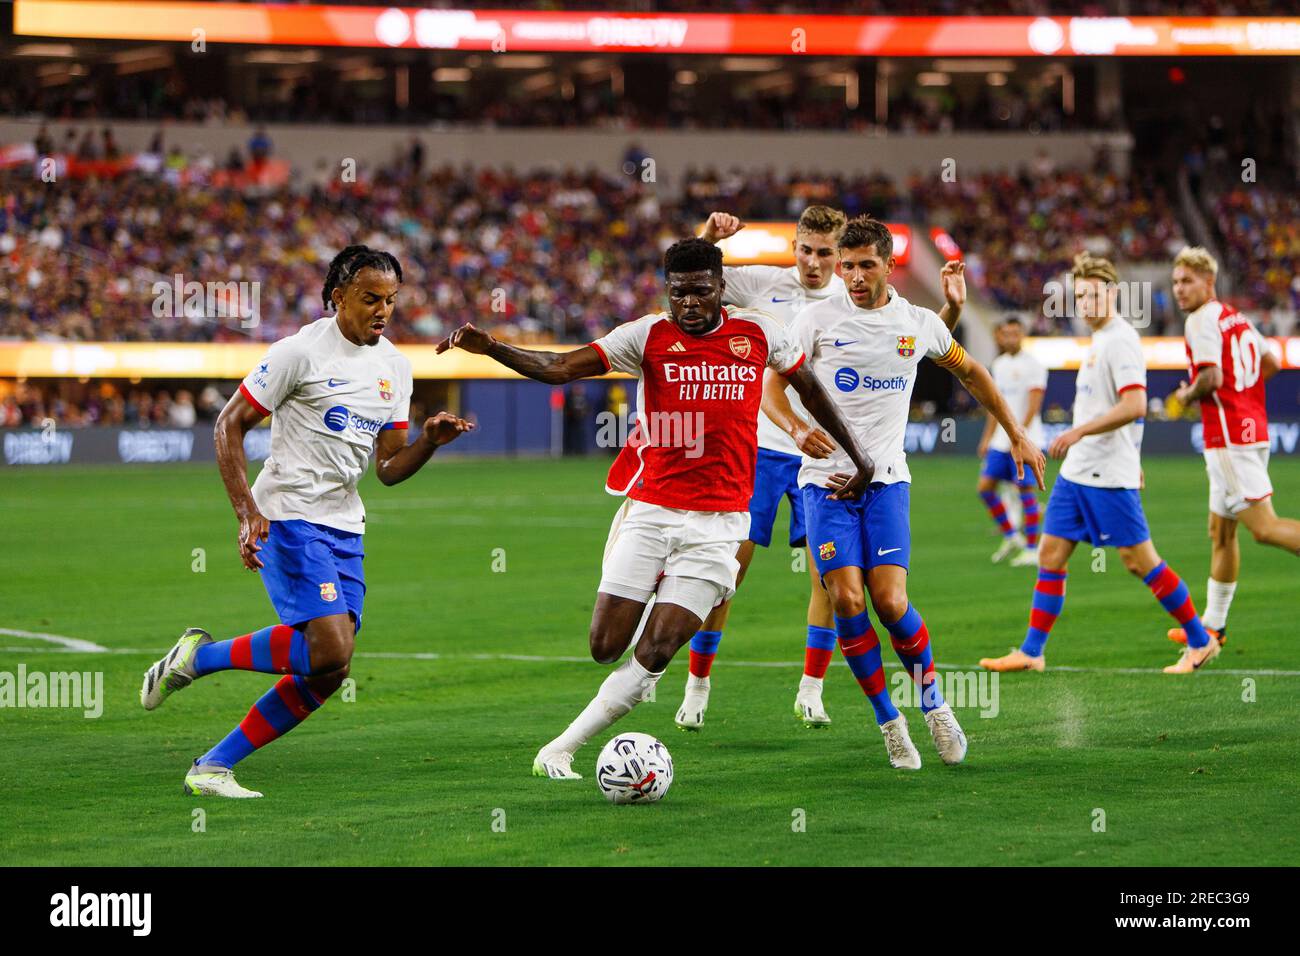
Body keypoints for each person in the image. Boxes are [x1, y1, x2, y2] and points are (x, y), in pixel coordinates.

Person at [437, 237, 873, 781]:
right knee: (603, 647)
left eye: (700, 291)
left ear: (721, 289)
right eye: (678, 292)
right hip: (650, 511)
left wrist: (860, 458)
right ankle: (655, 608)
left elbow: (811, 392)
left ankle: (560, 748)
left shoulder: (759, 333)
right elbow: (559, 367)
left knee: (655, 652)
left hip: (719, 527)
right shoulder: (646, 335)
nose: (689, 302)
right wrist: (493, 347)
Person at [140, 245, 473, 797]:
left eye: (390, 300)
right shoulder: (299, 353)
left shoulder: (394, 367)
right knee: (332, 650)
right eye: (370, 298)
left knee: (329, 671)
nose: (383, 310)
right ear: (338, 296)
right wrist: (247, 513)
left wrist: (429, 443)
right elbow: (228, 425)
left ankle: (211, 764)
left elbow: (387, 468)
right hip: (288, 514)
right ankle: (202, 661)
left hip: (345, 523)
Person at [766, 215, 1045, 769]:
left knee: (891, 603)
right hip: (825, 485)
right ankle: (889, 722)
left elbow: (973, 374)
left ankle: (935, 706)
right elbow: (771, 387)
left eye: (866, 264)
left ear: (889, 264)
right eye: (846, 266)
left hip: (887, 482)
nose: (853, 276)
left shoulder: (916, 323)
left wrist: (1016, 434)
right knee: (846, 599)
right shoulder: (814, 319)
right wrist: (798, 430)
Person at [677, 207, 966, 731]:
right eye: (805, 251)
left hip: (830, 461)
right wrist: (707, 237)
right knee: (728, 572)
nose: (814, 262)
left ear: (841, 255)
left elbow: (910, 346)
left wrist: (949, 311)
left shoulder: (850, 301)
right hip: (764, 448)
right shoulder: (763, 284)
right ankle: (698, 683)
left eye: (825, 253)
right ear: (794, 249)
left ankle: (811, 689)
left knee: (829, 583)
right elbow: (690, 289)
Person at [980, 253, 1217, 677]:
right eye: (1079, 296)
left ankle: (1200, 641)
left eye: (1092, 295)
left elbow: (1135, 404)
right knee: (1050, 554)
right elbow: (1129, 411)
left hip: (1105, 472)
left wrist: (1079, 433)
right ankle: (1033, 652)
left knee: (1139, 560)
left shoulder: (1121, 340)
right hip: (1077, 472)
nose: (1084, 303)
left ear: (1112, 294)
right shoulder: (1100, 340)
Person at [1167, 246, 1300, 646]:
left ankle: (1213, 625)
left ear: (1209, 282)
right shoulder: (1235, 317)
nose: (1179, 289)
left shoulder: (1200, 321)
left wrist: (1185, 397)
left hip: (1228, 438)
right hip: (1251, 430)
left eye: (1187, 281)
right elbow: (1273, 362)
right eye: (1175, 282)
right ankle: (1214, 626)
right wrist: (1245, 393)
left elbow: (1209, 377)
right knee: (1220, 532)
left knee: (1264, 528)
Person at [975, 316, 1047, 567]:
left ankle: (1032, 548)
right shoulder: (998, 365)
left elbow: (1034, 406)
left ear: (1022, 335)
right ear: (1001, 336)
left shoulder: (1034, 365)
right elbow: (994, 406)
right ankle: (1011, 535)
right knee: (984, 488)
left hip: (1026, 439)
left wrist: (1020, 437)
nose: (1011, 338)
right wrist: (987, 437)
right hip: (1000, 440)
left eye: (1016, 333)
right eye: (1007, 334)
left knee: (1026, 492)